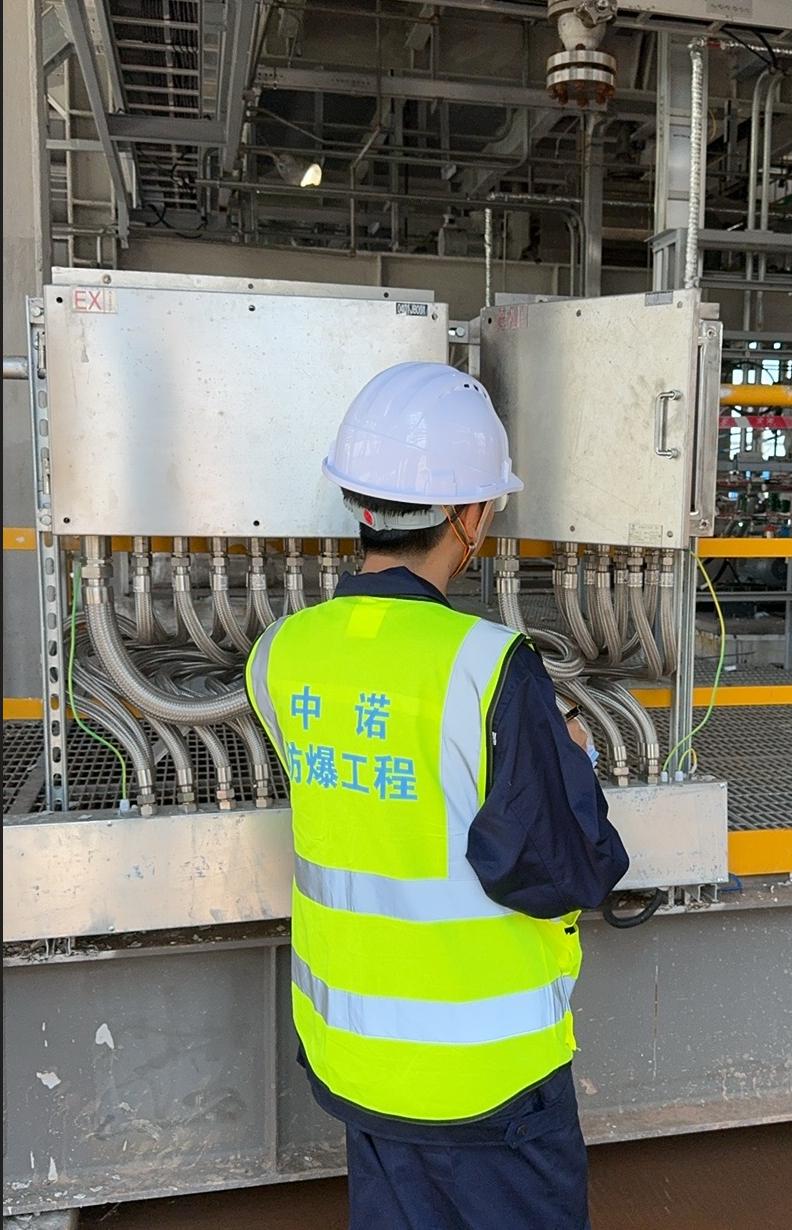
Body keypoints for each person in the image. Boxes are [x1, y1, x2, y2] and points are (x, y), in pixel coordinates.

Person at [245, 361, 629, 1230]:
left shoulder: (280, 652)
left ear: (360, 503)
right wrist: (571, 761)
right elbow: (559, 873)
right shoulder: (491, 666)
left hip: (355, 1057)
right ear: (471, 515)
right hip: (483, 1079)